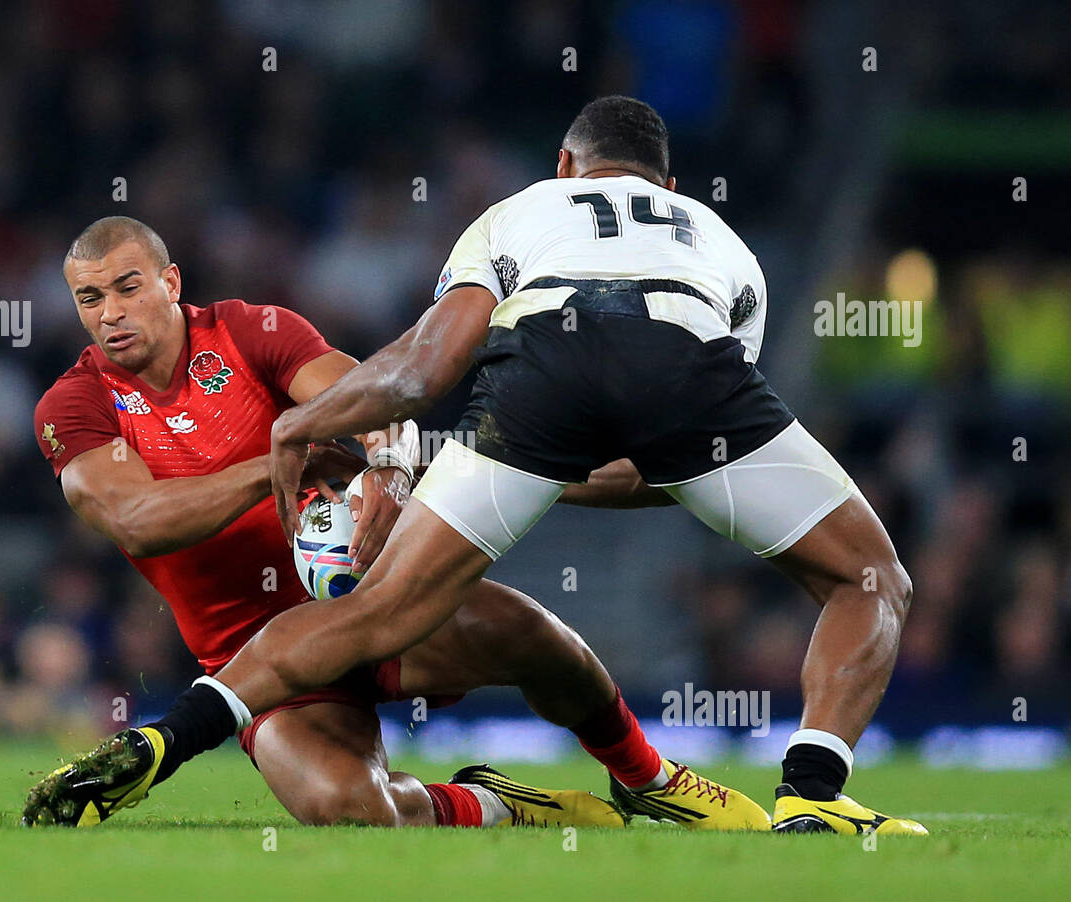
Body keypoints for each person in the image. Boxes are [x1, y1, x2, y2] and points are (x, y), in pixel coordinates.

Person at [92, 96, 927, 837]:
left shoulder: (523, 209)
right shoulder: (726, 245)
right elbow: (680, 460)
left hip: (538, 380)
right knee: (870, 577)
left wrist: (304, 429)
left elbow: (427, 368)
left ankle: (167, 739)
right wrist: (556, 482)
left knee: (374, 611)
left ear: (564, 166)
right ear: (669, 188)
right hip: (691, 365)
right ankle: (813, 793)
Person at [21, 215, 768, 831]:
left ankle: (648, 779)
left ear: (170, 281)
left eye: (127, 287)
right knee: (350, 809)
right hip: (254, 668)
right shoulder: (75, 405)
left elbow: (383, 404)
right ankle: (495, 803)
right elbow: (139, 520)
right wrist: (278, 462)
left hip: (377, 603)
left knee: (548, 645)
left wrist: (386, 463)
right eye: (90, 300)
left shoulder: (250, 331)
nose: (111, 313)